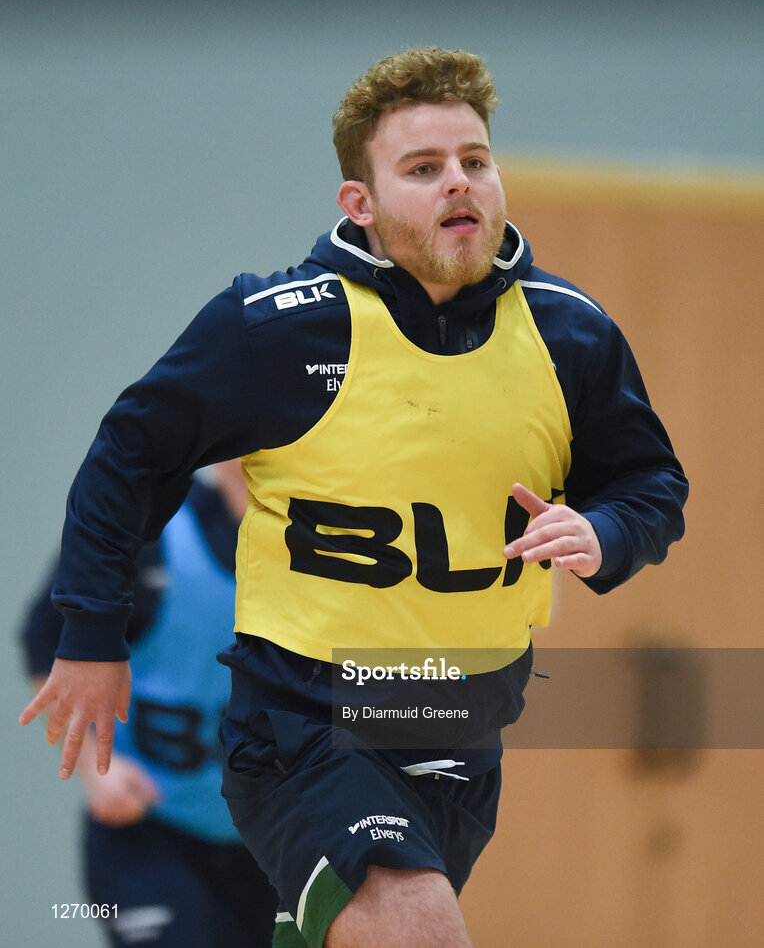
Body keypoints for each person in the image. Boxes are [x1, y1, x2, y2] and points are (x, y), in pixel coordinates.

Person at [20, 47, 688, 948]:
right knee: (421, 934)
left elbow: (654, 483)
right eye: (423, 168)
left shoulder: (572, 333)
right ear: (360, 206)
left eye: (475, 161)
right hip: (304, 721)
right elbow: (128, 454)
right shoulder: (281, 328)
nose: (459, 182)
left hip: (462, 722)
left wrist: (607, 531)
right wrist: (92, 633)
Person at [20, 462, 278, 947]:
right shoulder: (144, 531)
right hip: (151, 829)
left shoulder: (345, 553)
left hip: (278, 839)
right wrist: (97, 769)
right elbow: (44, 640)